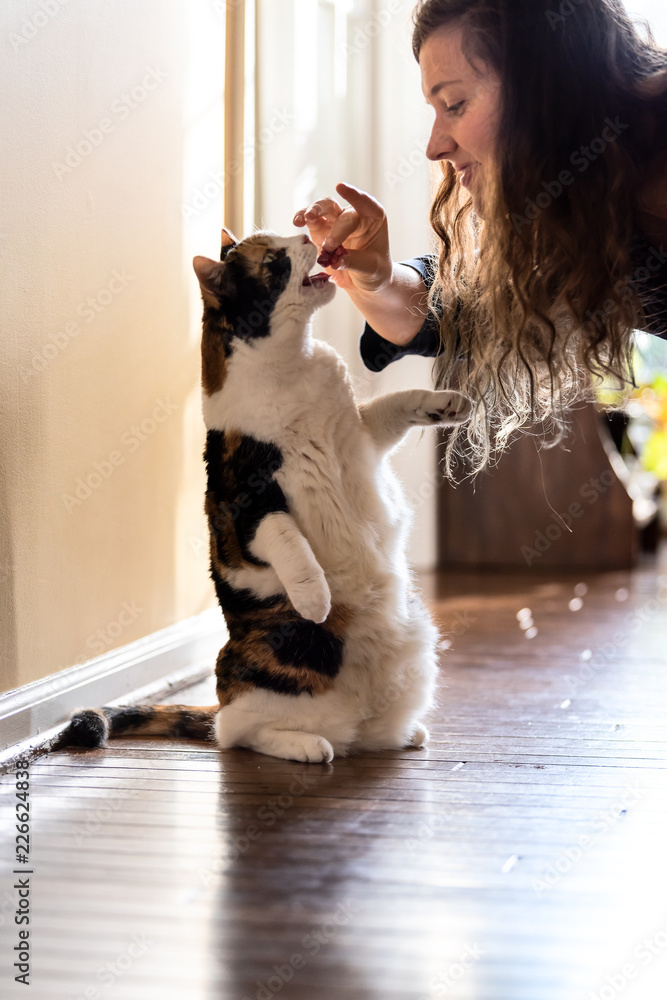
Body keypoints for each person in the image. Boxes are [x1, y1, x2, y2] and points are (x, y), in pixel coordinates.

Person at [293, 0, 667, 473]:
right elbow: (466, 309)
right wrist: (378, 280)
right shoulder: (592, 204)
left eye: (455, 104)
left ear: (547, 86)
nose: (434, 147)